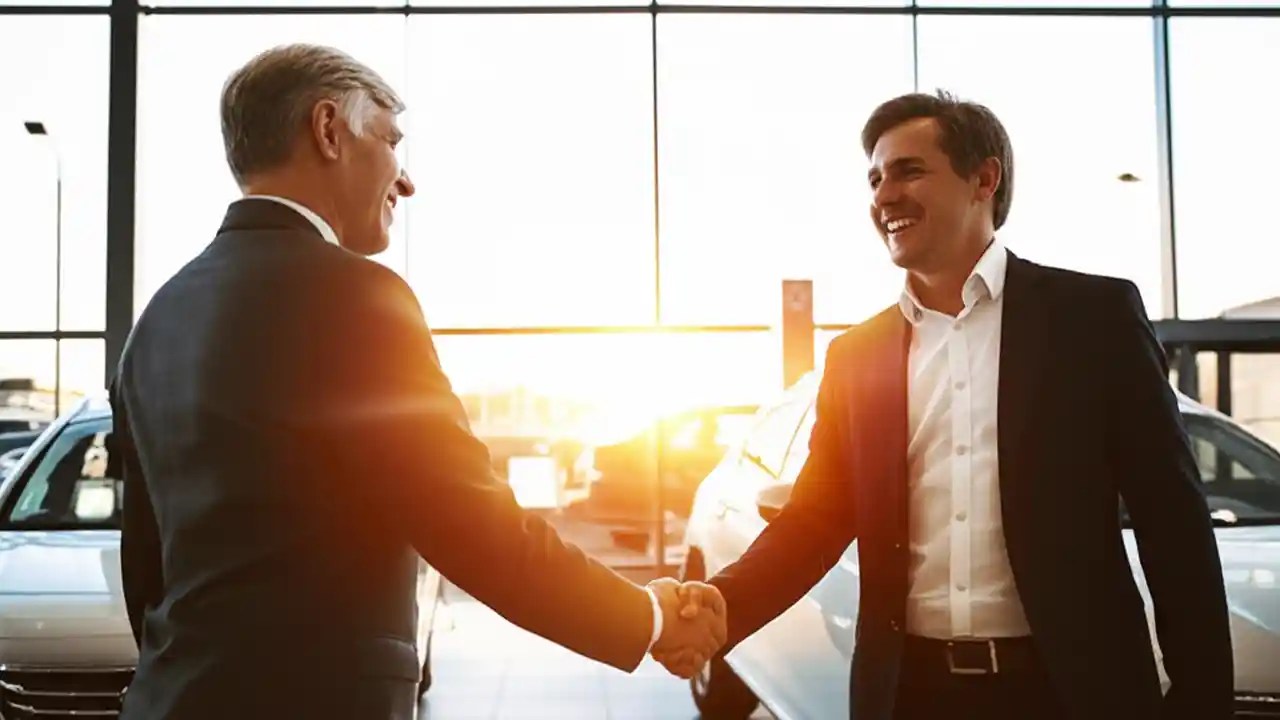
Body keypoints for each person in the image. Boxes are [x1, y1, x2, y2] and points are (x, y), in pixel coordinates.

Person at [110, 43, 724, 720]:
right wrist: (647, 618)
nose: (405, 182)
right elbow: (467, 521)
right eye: (391, 140)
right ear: (328, 130)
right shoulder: (358, 298)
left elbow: (146, 566)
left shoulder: (158, 319)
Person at [654, 91, 1233, 720]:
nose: (884, 196)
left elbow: (1172, 519)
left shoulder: (1093, 320)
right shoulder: (857, 355)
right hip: (909, 693)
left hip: (1071, 691)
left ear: (984, 179)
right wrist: (720, 605)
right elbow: (815, 520)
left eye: (909, 171)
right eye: (875, 179)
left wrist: (1202, 699)